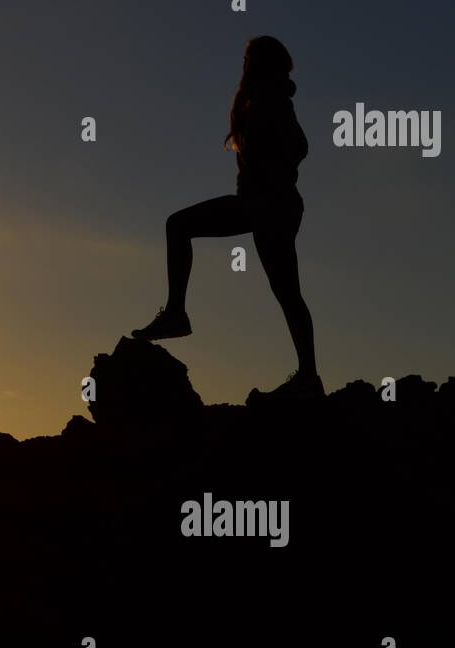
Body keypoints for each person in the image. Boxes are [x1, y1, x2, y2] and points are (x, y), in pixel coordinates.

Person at [132, 35, 323, 398]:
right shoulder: (263, 98)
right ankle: (308, 376)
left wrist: (272, 171)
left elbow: (299, 147)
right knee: (286, 292)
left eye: (248, 58)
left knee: (180, 226)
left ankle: (177, 315)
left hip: (269, 204)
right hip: (266, 203)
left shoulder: (271, 97)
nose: (244, 64)